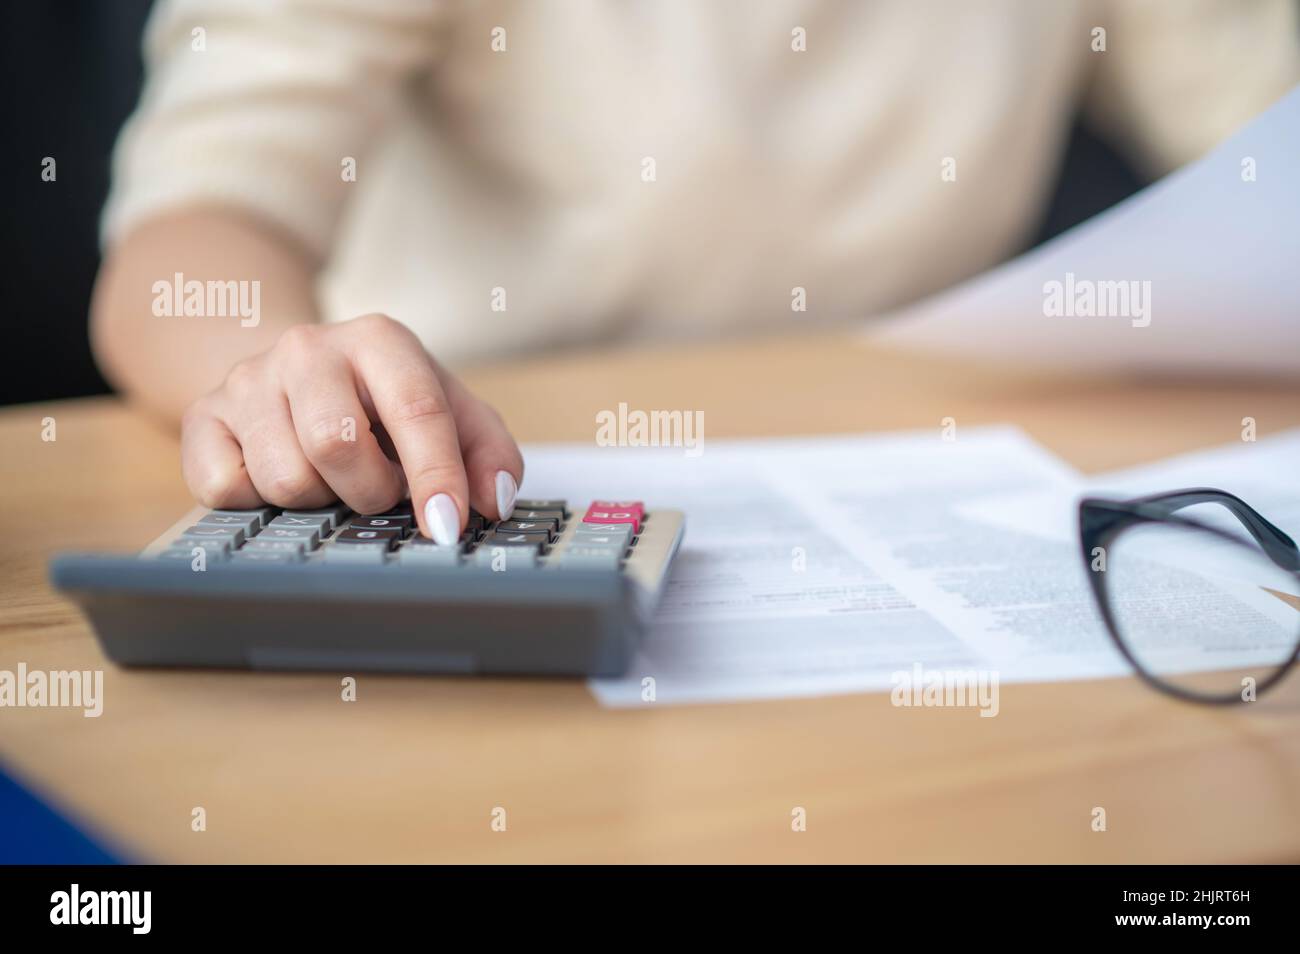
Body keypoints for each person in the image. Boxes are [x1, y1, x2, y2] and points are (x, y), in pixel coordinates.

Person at [90, 0, 1300, 544]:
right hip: (485, 480)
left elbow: (1262, 130)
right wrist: (268, 373)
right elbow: (196, 224)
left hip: (911, 492)